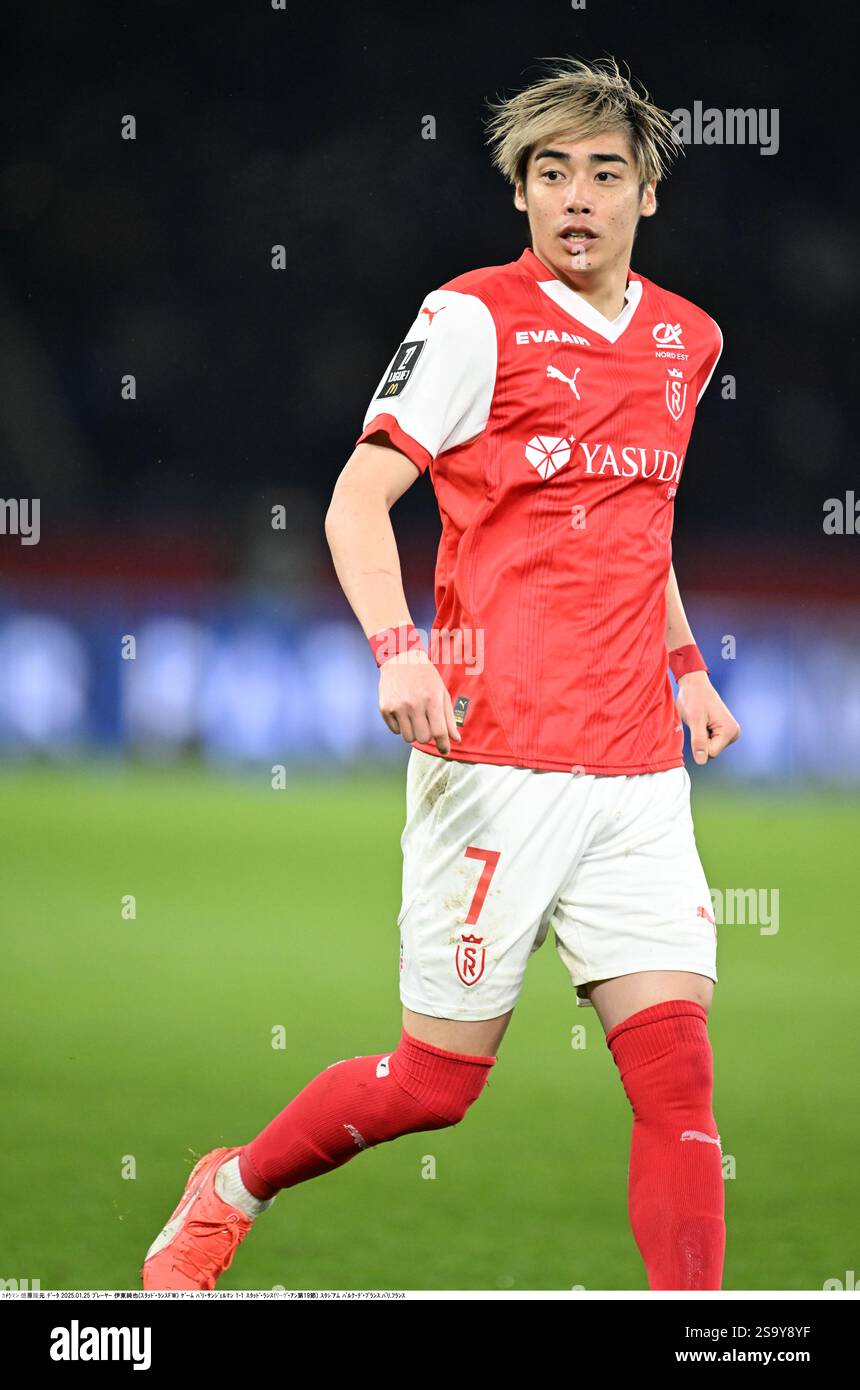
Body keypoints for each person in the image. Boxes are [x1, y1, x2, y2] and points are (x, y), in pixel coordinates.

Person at [142, 55, 740, 1293]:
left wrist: (685, 667)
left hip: (634, 769)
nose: (575, 196)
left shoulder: (689, 339)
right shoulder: (471, 317)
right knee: (434, 1085)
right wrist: (398, 649)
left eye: (603, 173)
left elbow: (644, 525)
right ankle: (229, 1187)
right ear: (519, 194)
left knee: (677, 1079)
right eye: (548, 174)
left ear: (646, 193)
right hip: (495, 755)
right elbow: (358, 501)